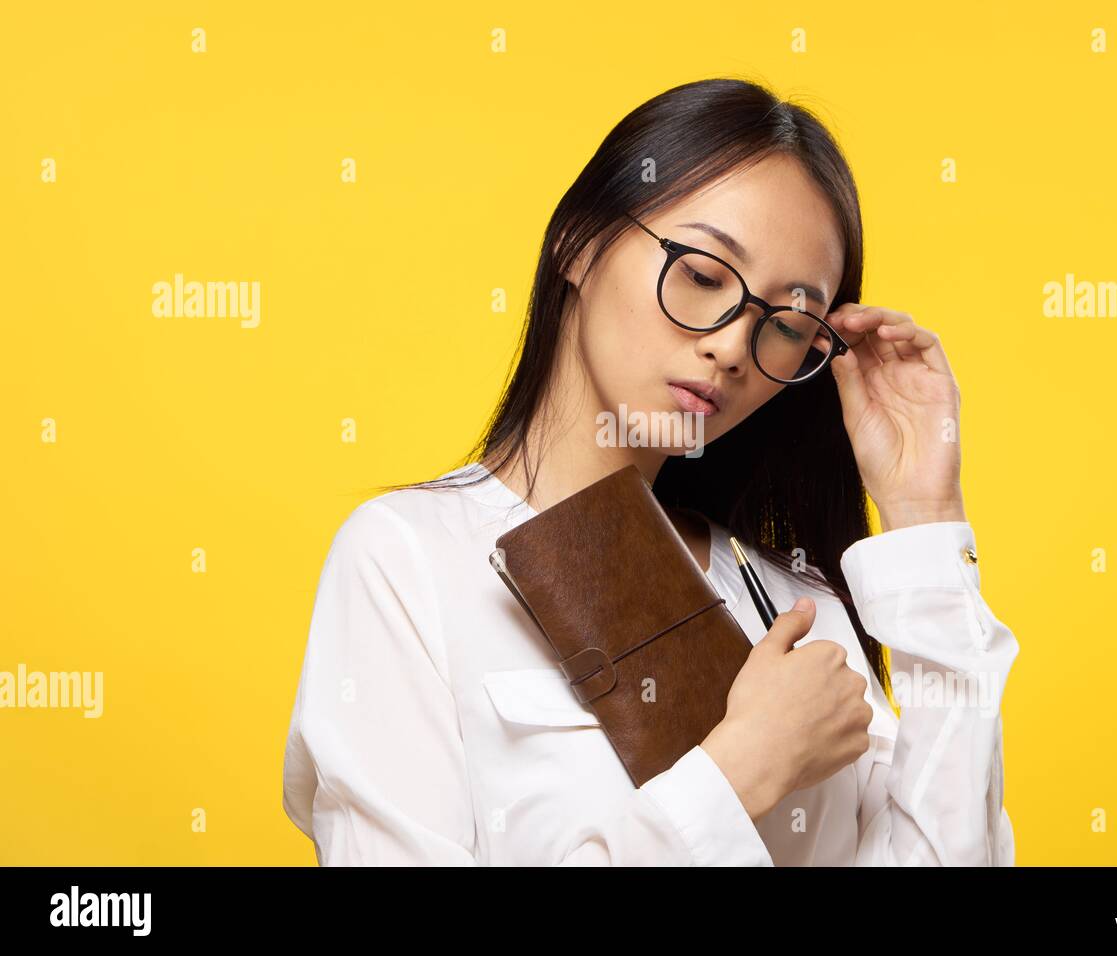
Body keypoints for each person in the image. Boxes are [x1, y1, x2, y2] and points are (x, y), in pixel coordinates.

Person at [281, 77, 1020, 866]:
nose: (733, 347)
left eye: (786, 323)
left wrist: (925, 514)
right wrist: (737, 773)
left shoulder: (797, 603)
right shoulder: (409, 559)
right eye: (703, 276)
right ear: (577, 242)